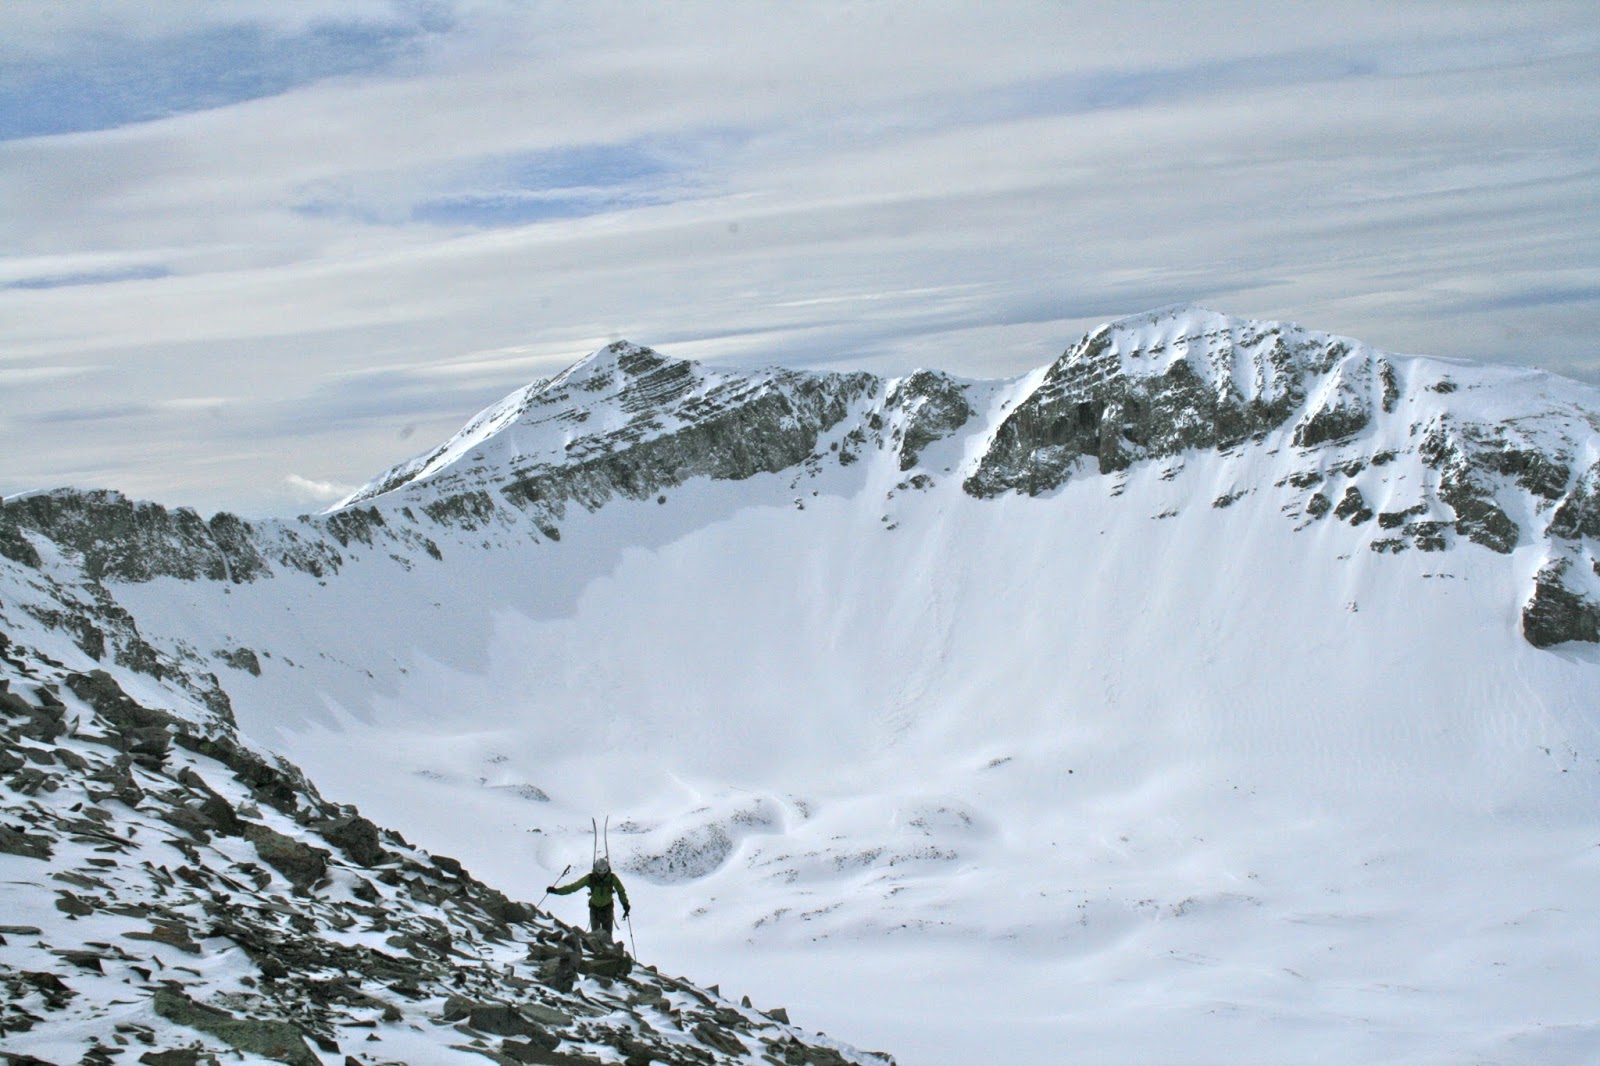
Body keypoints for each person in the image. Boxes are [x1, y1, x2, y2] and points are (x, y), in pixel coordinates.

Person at [548, 857, 631, 937]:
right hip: (595, 910)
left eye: (604, 873)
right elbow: (574, 887)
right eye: (600, 873)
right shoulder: (590, 878)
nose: (602, 875)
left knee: (607, 937)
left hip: (607, 910)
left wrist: (625, 903)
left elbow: (621, 891)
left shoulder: (612, 878)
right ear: (596, 870)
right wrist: (556, 891)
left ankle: (607, 947)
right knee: (595, 936)